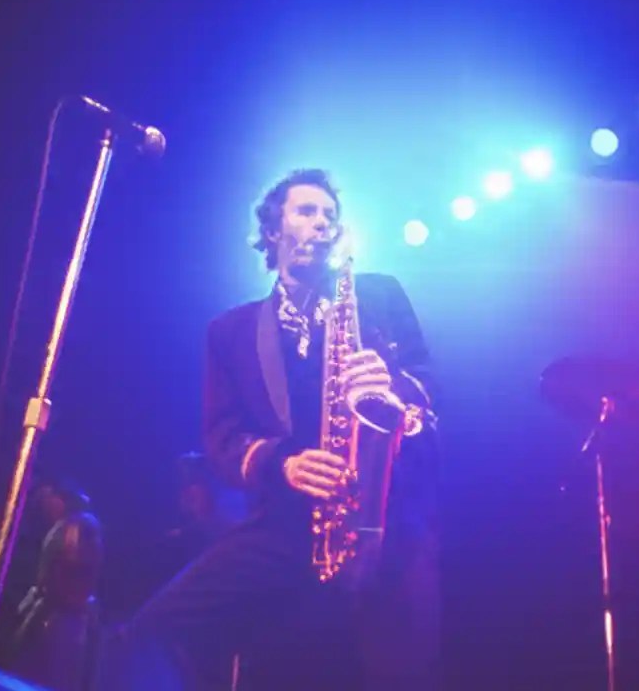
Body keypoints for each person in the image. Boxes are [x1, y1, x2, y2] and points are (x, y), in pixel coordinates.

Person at [101, 168, 441, 690]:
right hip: (287, 525)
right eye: (306, 211)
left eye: (330, 215)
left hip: (384, 524)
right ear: (273, 230)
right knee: (151, 630)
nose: (321, 223)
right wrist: (282, 462)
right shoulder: (230, 331)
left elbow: (429, 391)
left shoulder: (379, 295)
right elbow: (221, 438)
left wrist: (393, 385)